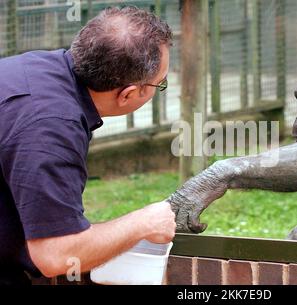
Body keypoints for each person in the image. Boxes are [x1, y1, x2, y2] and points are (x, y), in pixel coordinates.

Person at [0, 6, 176, 285]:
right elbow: (56, 256)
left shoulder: (36, 68)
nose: (161, 86)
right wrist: (144, 223)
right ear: (128, 94)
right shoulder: (50, 127)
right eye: (160, 84)